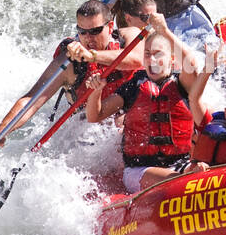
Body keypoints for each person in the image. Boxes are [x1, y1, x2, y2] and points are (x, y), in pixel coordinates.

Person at [0, 0, 144, 155]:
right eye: (82, 32)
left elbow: (136, 60)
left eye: (95, 31)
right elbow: (31, 100)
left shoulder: (129, 37)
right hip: (89, 129)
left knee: (124, 122)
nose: (88, 38)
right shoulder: (68, 63)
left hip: (129, 115)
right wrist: (0, 133)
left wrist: (92, 56)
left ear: (109, 27)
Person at [85, 12, 205, 193]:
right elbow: (95, 116)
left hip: (181, 165)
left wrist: (164, 31)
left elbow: (192, 65)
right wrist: (96, 91)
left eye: (158, 54)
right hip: (139, 170)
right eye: (147, 54)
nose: (152, 59)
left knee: (198, 171)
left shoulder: (182, 84)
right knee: (181, 180)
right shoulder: (134, 85)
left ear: (172, 59)